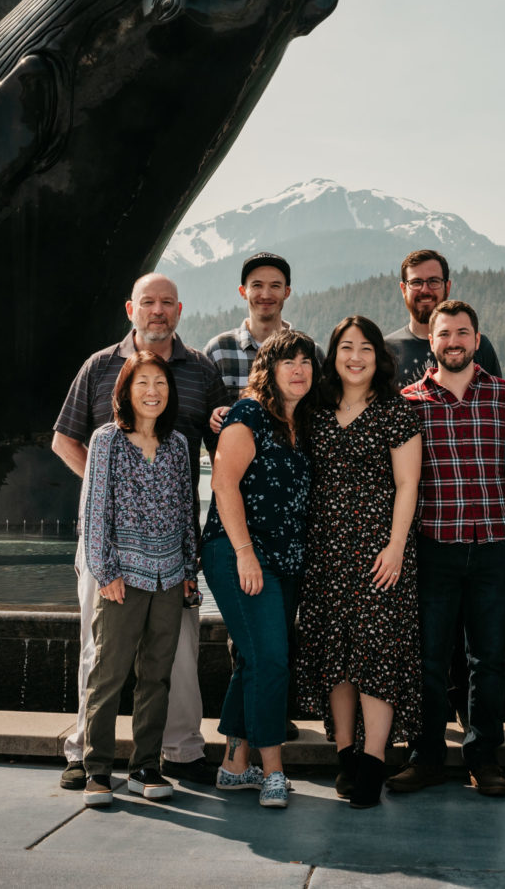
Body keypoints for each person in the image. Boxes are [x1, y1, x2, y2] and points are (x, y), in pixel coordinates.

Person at [51, 273, 230, 790]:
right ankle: (85, 757)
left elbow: (218, 445)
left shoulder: (199, 370)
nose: (157, 310)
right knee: (100, 654)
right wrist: (112, 490)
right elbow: (65, 440)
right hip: (107, 552)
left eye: (166, 303)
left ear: (179, 310)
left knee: (172, 658)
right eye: (148, 302)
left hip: (170, 563)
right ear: (132, 308)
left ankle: (171, 755)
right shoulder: (100, 367)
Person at [387, 300, 505, 798]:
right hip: (434, 547)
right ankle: (424, 758)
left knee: (488, 658)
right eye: (444, 334)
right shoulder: (408, 402)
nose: (453, 342)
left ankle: (484, 758)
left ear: (477, 337)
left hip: (493, 547)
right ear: (432, 340)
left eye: (462, 333)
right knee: (427, 658)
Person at [294, 315, 422, 808]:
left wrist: (395, 546)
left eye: (365, 348)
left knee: (376, 654)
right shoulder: (316, 412)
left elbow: (408, 484)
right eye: (346, 347)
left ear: (378, 356)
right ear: (334, 355)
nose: (355, 356)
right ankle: (345, 754)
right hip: (326, 551)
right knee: (336, 655)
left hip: (379, 553)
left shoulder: (396, 411)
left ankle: (373, 760)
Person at [77, 351, 199, 808]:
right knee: (108, 674)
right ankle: (97, 770)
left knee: (157, 675)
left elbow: (188, 510)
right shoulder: (107, 440)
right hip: (122, 579)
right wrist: (104, 571)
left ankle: (146, 765)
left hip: (170, 576)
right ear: (126, 390)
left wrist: (189, 570)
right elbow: (94, 512)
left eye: (161, 383)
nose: (153, 392)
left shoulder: (179, 445)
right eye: (143, 383)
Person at [201, 330, 317, 809]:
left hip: (286, 557)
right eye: (287, 360)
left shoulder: (303, 422)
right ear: (268, 368)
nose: (298, 369)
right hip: (238, 554)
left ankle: (232, 767)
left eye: (306, 361)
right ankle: (272, 771)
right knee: (271, 660)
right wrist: (245, 552)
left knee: (255, 658)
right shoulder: (248, 414)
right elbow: (225, 485)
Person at [383, 250, 503, 389]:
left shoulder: (479, 346)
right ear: (403, 289)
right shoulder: (385, 350)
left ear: (447, 287)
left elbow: (498, 400)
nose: (425, 290)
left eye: (434, 281)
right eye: (416, 282)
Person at [204, 252, 300, 394]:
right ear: (243, 291)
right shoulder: (219, 351)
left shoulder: (308, 352)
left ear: (286, 292)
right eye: (257, 285)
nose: (266, 295)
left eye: (275, 286)